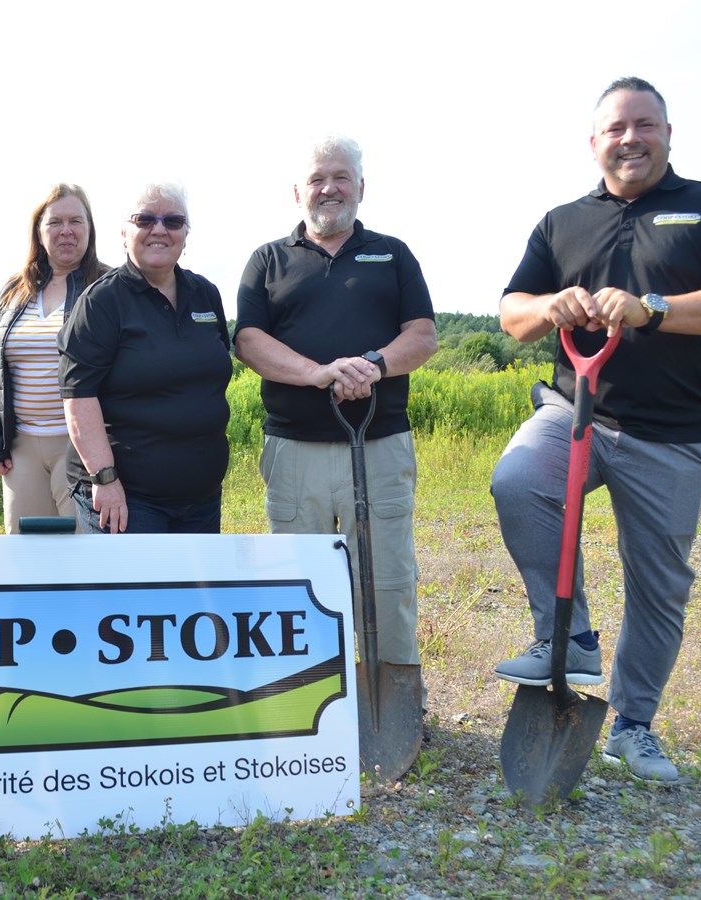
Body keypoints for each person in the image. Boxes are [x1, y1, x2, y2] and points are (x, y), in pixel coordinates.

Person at [490, 77, 701, 783]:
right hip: (573, 408)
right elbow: (510, 313)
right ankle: (569, 637)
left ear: (667, 133)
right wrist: (549, 305)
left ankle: (633, 725)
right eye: (615, 129)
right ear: (593, 143)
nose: (629, 138)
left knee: (657, 584)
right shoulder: (560, 222)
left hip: (671, 432)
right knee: (519, 480)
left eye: (644, 125)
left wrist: (652, 307)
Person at [234, 135, 437, 700]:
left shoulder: (392, 254)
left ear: (361, 188)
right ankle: (307, 701)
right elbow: (249, 341)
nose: (330, 188)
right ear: (298, 191)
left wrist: (373, 365)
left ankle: (393, 703)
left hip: (379, 445)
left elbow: (421, 336)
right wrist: (318, 373)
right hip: (294, 450)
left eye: (342, 177)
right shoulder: (267, 261)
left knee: (387, 578)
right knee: (297, 584)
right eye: (319, 179)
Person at [60, 182, 232, 534]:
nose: (159, 229)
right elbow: (79, 398)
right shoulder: (101, 303)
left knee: (194, 591)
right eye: (145, 219)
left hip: (201, 497)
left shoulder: (205, 295)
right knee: (139, 590)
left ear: (186, 233)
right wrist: (105, 479)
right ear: (124, 233)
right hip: (127, 497)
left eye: (172, 220)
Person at [0, 184, 110, 533]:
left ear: (90, 229)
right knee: (26, 557)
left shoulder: (110, 285)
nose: (66, 230)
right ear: (39, 230)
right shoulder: (14, 289)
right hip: (21, 450)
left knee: (86, 556)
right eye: (55, 222)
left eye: (76, 221)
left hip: (83, 449)